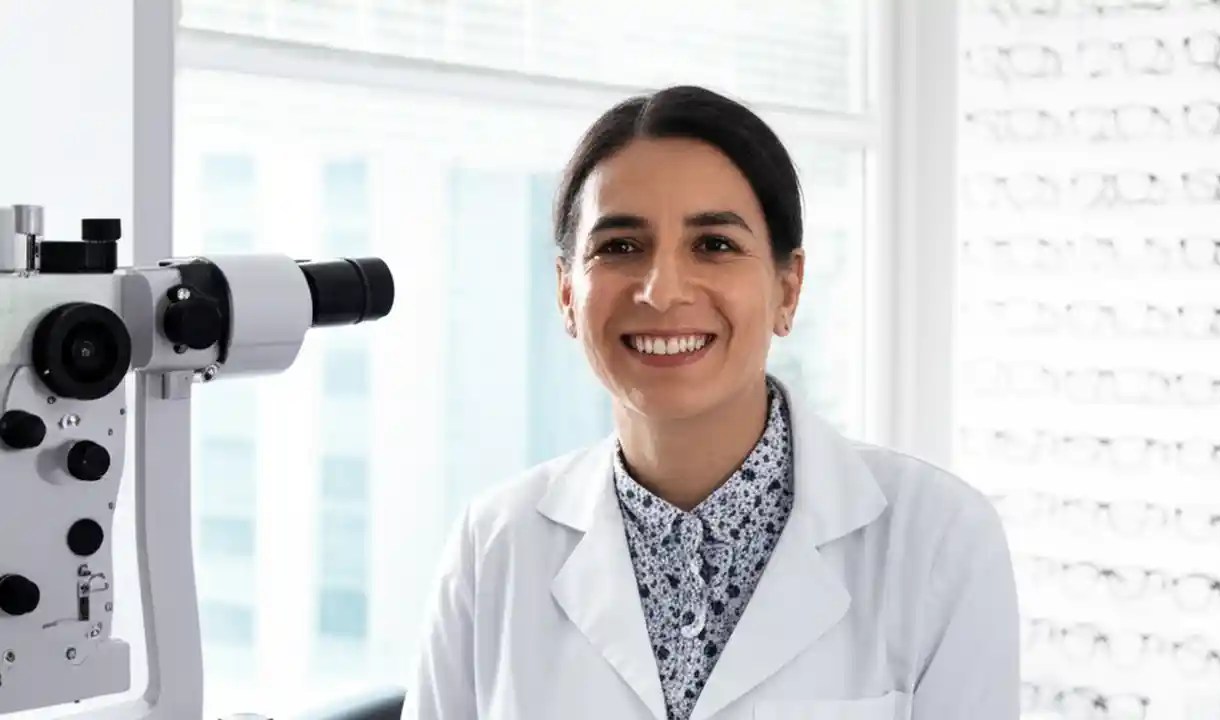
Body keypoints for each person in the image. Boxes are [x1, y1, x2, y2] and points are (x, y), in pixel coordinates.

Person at [401, 85, 1019, 720]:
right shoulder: (493, 545)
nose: (662, 291)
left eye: (714, 245)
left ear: (788, 286)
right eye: (619, 246)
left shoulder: (940, 538)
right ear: (566, 293)